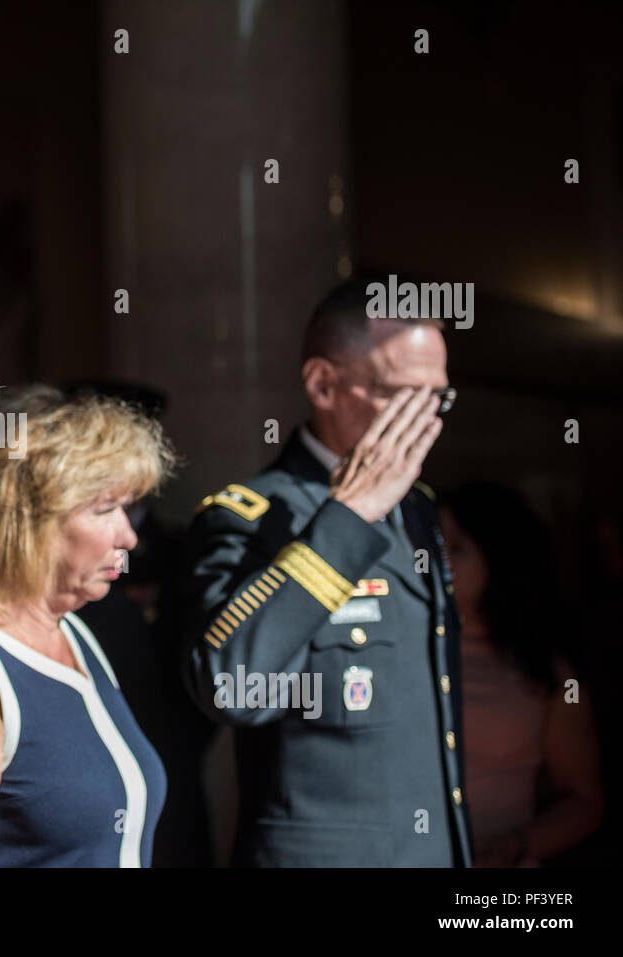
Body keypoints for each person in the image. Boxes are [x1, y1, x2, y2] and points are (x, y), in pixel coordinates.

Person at [165, 277, 472, 866]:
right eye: (404, 396)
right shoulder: (248, 515)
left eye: (440, 399)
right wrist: (348, 518)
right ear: (323, 384)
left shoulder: (420, 508)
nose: (427, 421)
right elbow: (233, 689)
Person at [0, 386, 172, 866]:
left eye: (129, 508)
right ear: (30, 522)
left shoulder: (73, 630)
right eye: (104, 509)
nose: (129, 535)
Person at [440, 483, 604, 866]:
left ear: (499, 559)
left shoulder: (547, 672)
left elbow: (583, 799)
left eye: (457, 547)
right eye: (434, 542)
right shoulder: (395, 654)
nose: (437, 558)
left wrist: (515, 846)